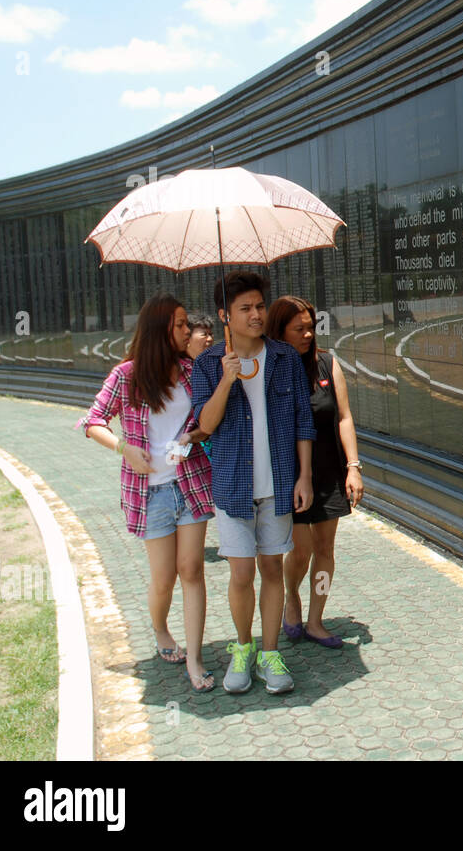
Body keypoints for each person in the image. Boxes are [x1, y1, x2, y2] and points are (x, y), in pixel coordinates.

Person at [78, 292, 215, 691]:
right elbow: (92, 422)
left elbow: (208, 420)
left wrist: (193, 434)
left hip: (190, 482)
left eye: (187, 323)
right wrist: (125, 448)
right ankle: (160, 630)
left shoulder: (192, 370)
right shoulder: (126, 376)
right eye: (179, 324)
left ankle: (195, 658)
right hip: (149, 493)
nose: (187, 330)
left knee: (191, 569)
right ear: (159, 330)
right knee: (164, 578)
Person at [192, 271, 315, 695]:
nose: (256, 314)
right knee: (241, 572)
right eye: (245, 308)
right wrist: (228, 378)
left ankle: (269, 652)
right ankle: (241, 649)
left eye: (260, 306)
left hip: (280, 482)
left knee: (271, 568)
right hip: (232, 485)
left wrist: (304, 476)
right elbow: (205, 426)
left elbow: (303, 421)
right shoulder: (208, 365)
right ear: (225, 315)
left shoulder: (283, 357)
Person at [266, 295, 363, 649]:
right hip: (288, 474)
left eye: (311, 327)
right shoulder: (270, 371)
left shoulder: (327, 364)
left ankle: (316, 619)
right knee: (301, 549)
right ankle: (291, 596)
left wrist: (353, 467)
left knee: (325, 548)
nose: (308, 334)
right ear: (280, 331)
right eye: (299, 329)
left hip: (328, 471)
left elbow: (344, 417)